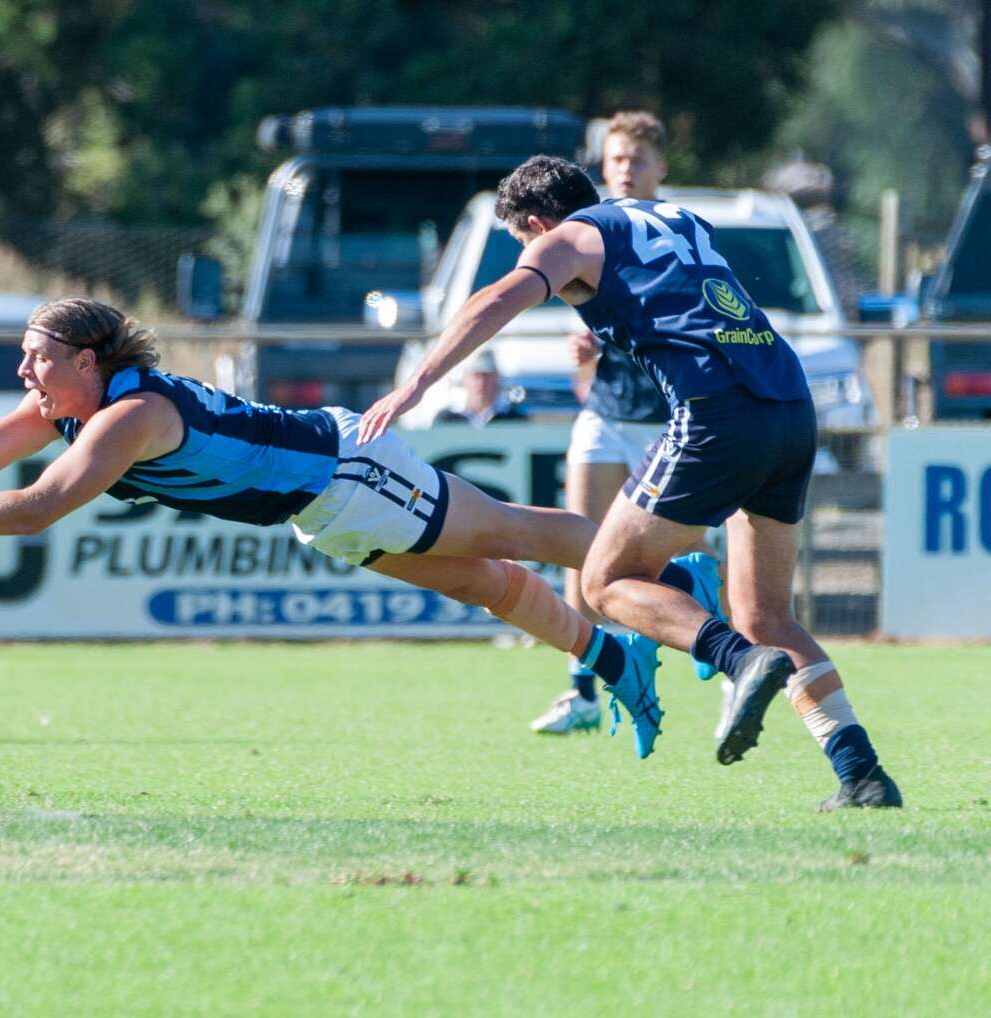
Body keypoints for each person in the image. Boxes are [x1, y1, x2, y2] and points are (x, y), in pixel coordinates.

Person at [0, 297, 694, 757]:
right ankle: (616, 658)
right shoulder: (72, 400)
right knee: (486, 582)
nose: (25, 372)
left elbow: (41, 505)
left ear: (87, 362)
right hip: (318, 507)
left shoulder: (128, 418)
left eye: (38, 359)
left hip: (346, 468)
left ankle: (669, 574)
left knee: (509, 534)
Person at [361, 156, 900, 810]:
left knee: (603, 582)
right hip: (789, 407)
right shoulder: (673, 216)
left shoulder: (569, 236)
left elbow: (501, 297)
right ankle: (862, 772)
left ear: (536, 224)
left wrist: (417, 382)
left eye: (523, 245)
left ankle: (735, 660)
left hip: (718, 416)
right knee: (766, 613)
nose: (535, 261)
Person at [531, 112, 726, 738]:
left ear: (661, 167)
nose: (624, 170)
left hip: (671, 421)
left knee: (682, 558)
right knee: (578, 547)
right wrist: (588, 356)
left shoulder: (675, 230)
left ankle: (731, 670)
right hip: (605, 413)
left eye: (637, 160)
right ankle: (584, 686)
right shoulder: (589, 232)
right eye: (615, 160)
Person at [439, 349, 528, 428]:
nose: (481, 381)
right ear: (464, 380)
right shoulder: (446, 419)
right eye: (475, 375)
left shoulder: (514, 420)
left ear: (496, 379)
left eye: (486, 375)